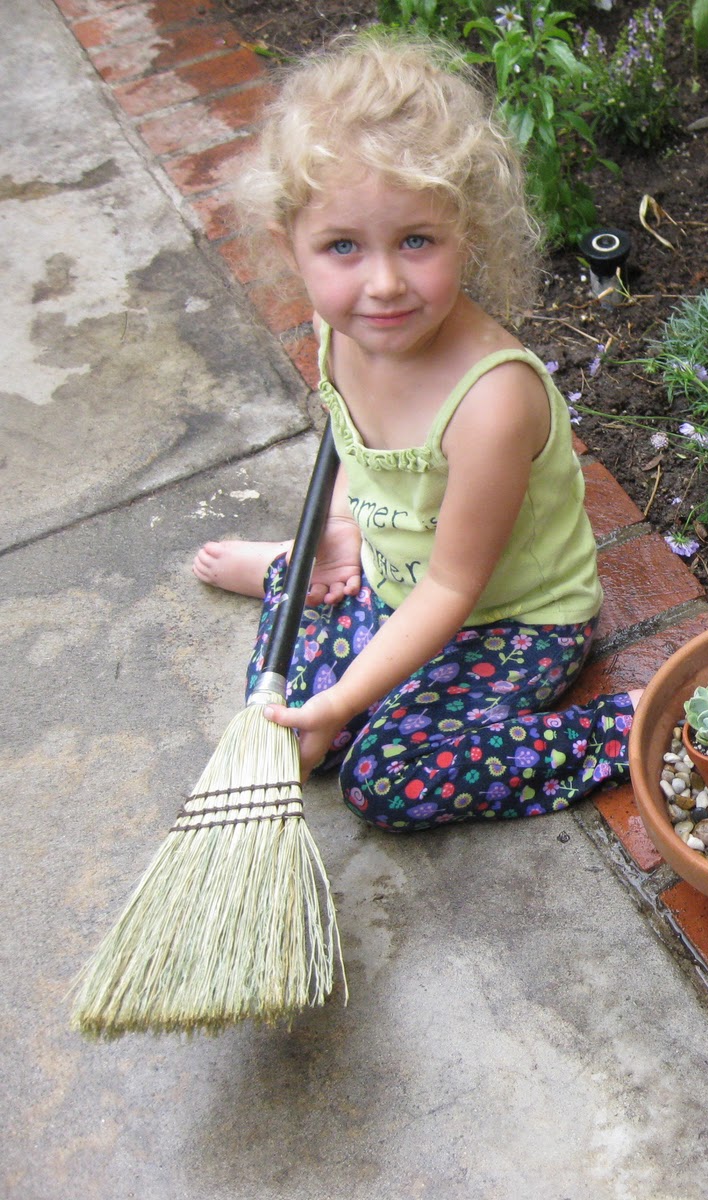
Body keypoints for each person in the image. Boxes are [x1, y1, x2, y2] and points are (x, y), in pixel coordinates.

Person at [192, 30, 636, 831]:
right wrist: (334, 527)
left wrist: (343, 702)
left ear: (469, 229)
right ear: (289, 247)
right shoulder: (344, 331)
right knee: (275, 703)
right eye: (342, 247)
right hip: (397, 580)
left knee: (384, 777)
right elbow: (343, 443)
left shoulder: (491, 401)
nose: (385, 283)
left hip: (511, 620)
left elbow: (453, 589)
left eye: (417, 240)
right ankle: (315, 566)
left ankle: (626, 726)